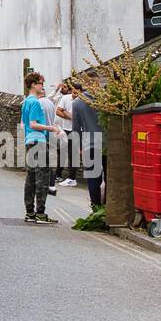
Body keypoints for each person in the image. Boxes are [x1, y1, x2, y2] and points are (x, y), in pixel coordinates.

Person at [21, 72, 61, 222]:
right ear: (33, 84)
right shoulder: (35, 102)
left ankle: (30, 212)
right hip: (39, 141)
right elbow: (33, 124)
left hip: (29, 141)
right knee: (42, 178)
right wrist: (52, 128)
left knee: (30, 178)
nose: (42, 86)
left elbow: (25, 125)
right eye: (40, 83)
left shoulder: (26, 102)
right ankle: (41, 213)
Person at [69, 80, 105, 211]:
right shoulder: (107, 99)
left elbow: (76, 127)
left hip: (90, 143)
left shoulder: (77, 102)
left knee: (93, 177)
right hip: (108, 142)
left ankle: (96, 208)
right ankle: (108, 207)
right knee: (111, 177)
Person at [54, 81, 77, 186]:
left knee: (73, 154)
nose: (74, 94)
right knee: (62, 152)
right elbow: (58, 111)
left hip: (76, 130)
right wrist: (70, 117)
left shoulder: (81, 100)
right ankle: (58, 174)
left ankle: (72, 178)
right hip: (65, 128)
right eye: (73, 91)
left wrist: (67, 113)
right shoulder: (65, 98)